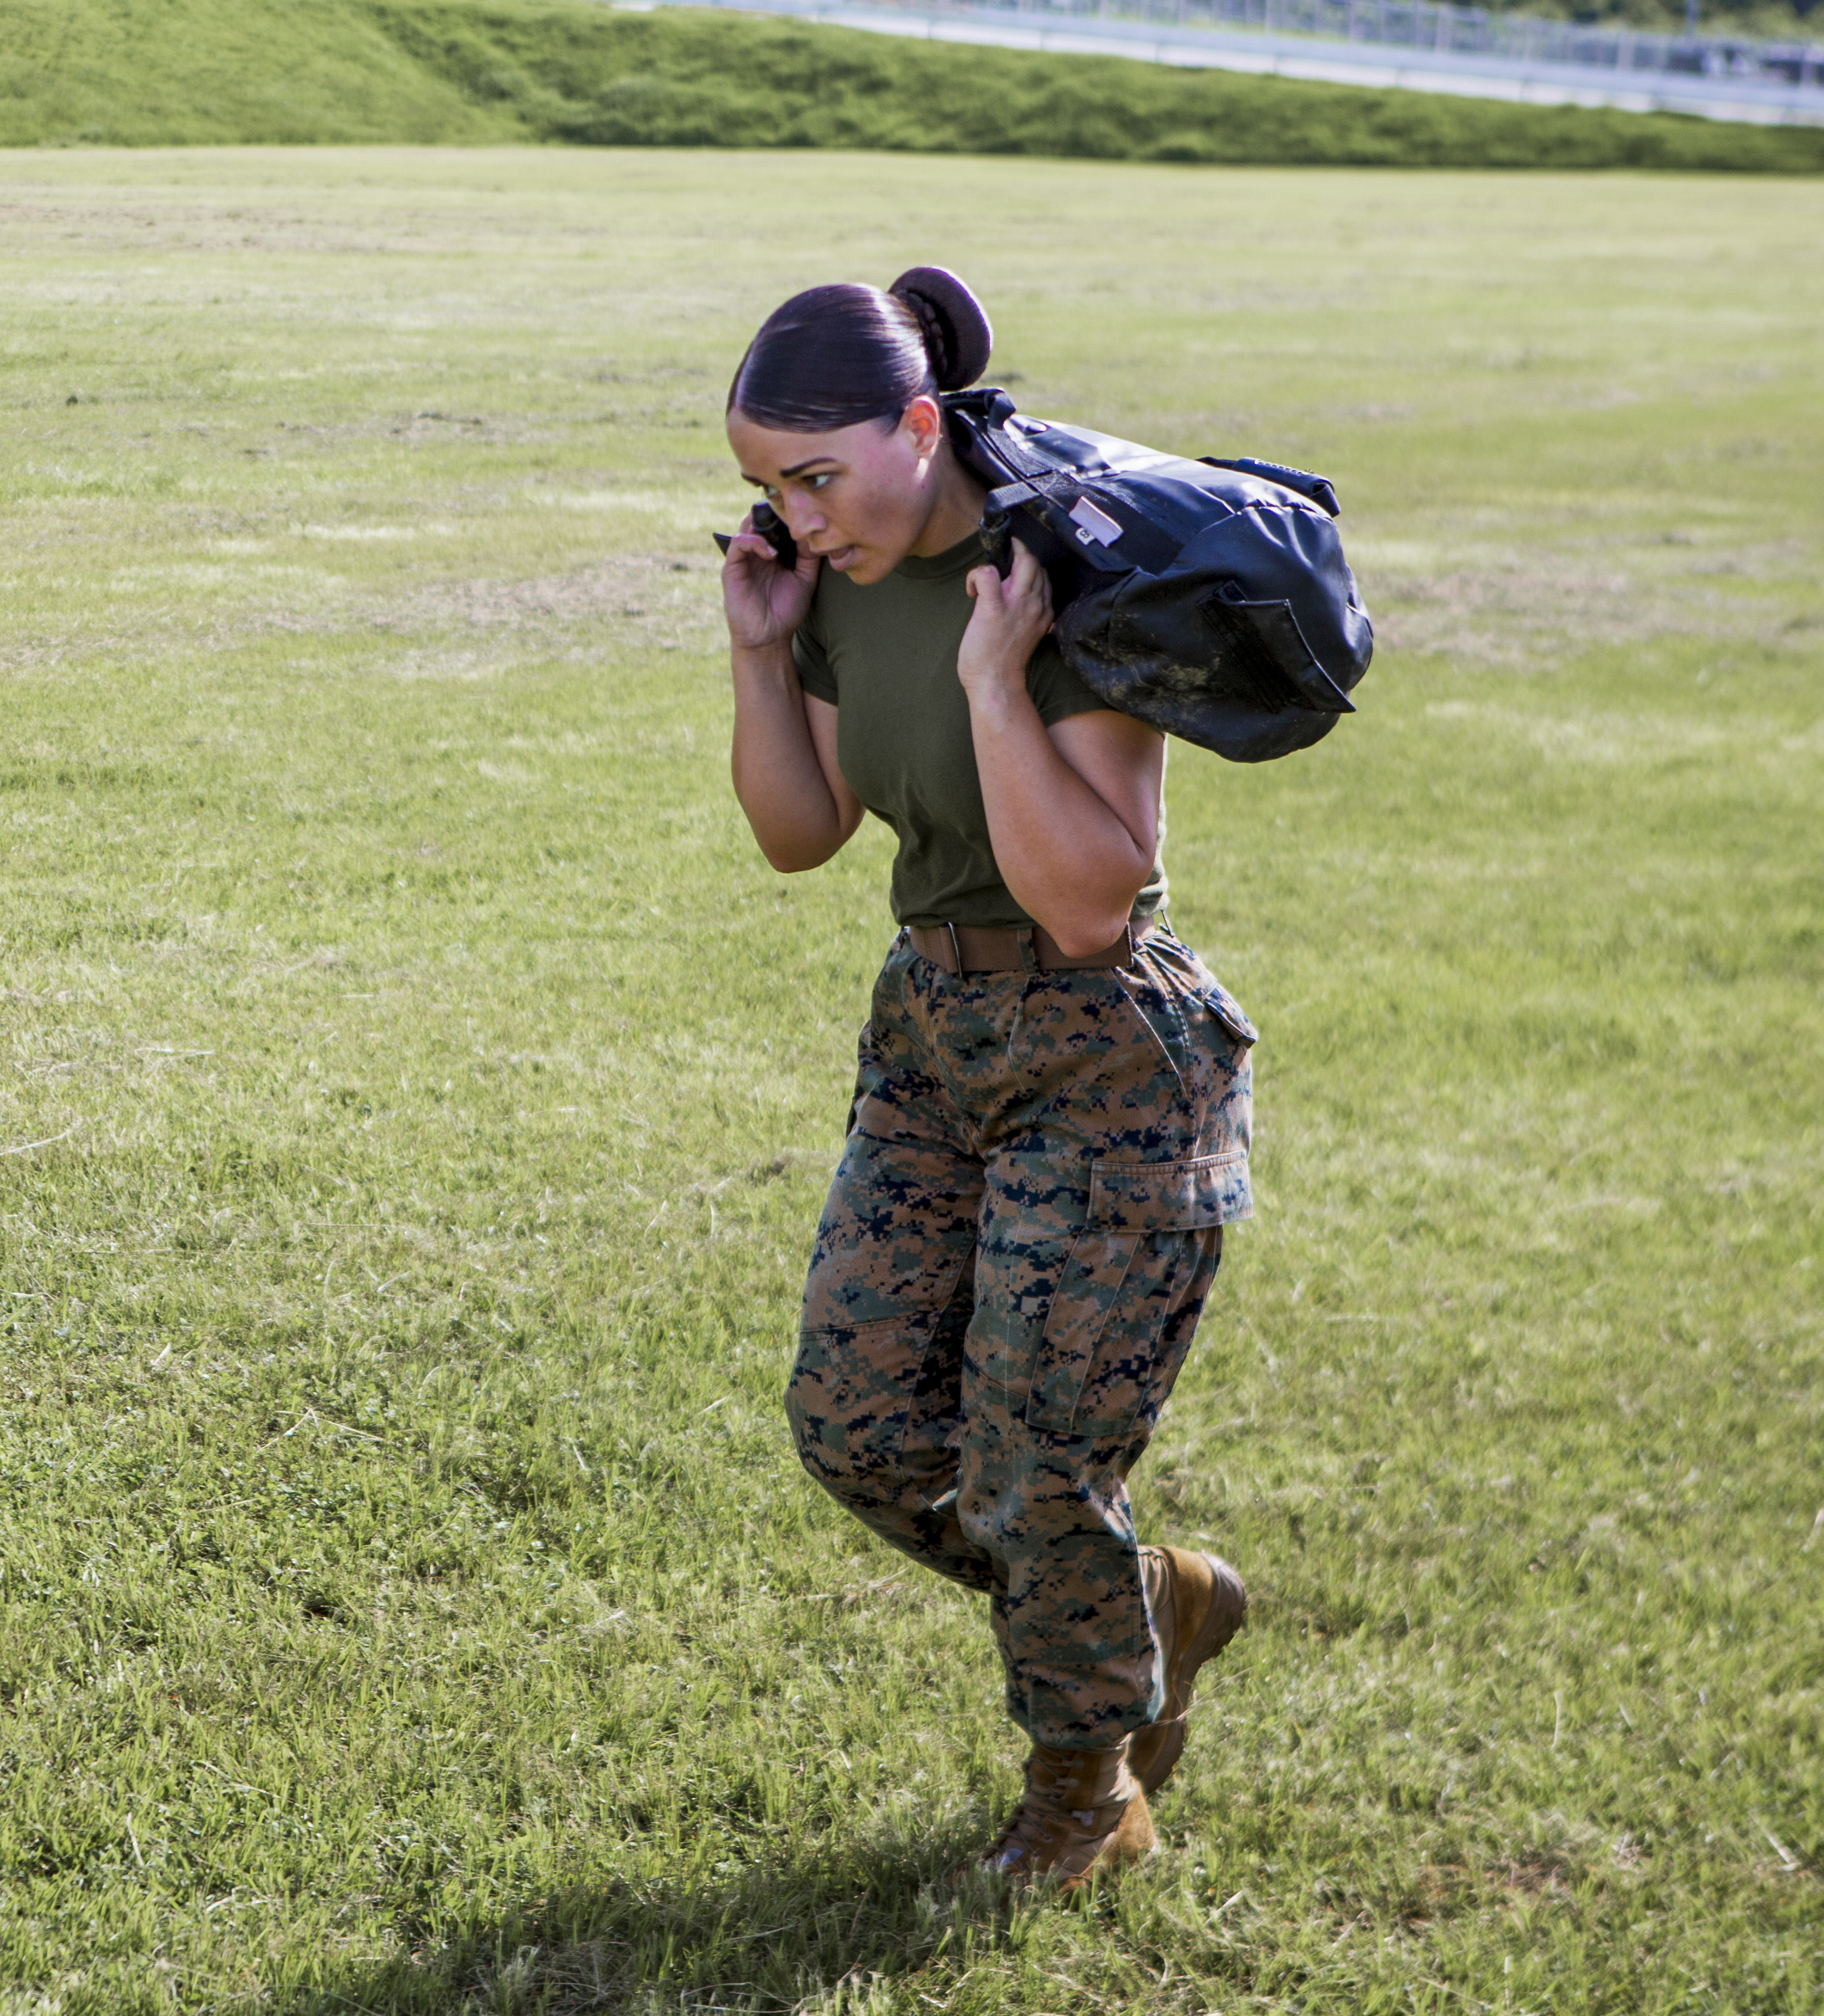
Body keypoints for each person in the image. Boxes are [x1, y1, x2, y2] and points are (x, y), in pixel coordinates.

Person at [720, 269, 1254, 1890]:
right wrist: (757, 654)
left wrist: (987, 682)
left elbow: (1092, 893)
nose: (795, 520)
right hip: (928, 1039)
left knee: (1031, 1466)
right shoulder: (823, 581)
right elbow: (799, 835)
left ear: (912, 422)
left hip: (1104, 1055)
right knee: (856, 1425)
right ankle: (1135, 1604)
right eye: (763, 489)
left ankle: (1082, 1791)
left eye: (816, 477)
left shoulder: (1070, 576)